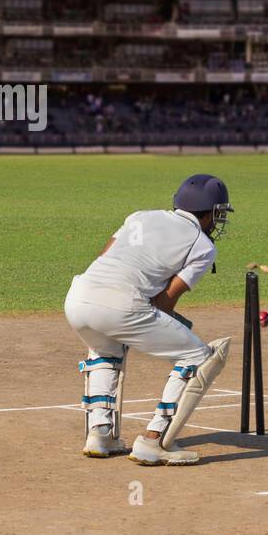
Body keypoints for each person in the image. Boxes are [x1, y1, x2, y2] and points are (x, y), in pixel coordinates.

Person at [64, 174, 233, 465]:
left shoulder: (140, 217)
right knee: (199, 356)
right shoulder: (203, 246)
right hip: (122, 305)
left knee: (106, 349)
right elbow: (165, 302)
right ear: (212, 213)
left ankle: (100, 435)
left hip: (79, 296)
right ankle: (154, 441)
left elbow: (106, 255)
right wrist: (171, 323)